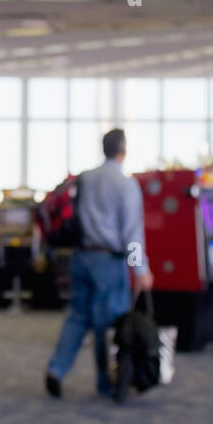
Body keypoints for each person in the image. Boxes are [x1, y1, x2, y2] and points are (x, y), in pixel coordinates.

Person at [45, 128, 153, 399]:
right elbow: (132, 234)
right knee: (106, 322)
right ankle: (106, 383)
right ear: (123, 150)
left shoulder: (86, 178)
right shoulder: (125, 184)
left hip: (80, 257)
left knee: (77, 317)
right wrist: (140, 269)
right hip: (108, 260)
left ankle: (56, 370)